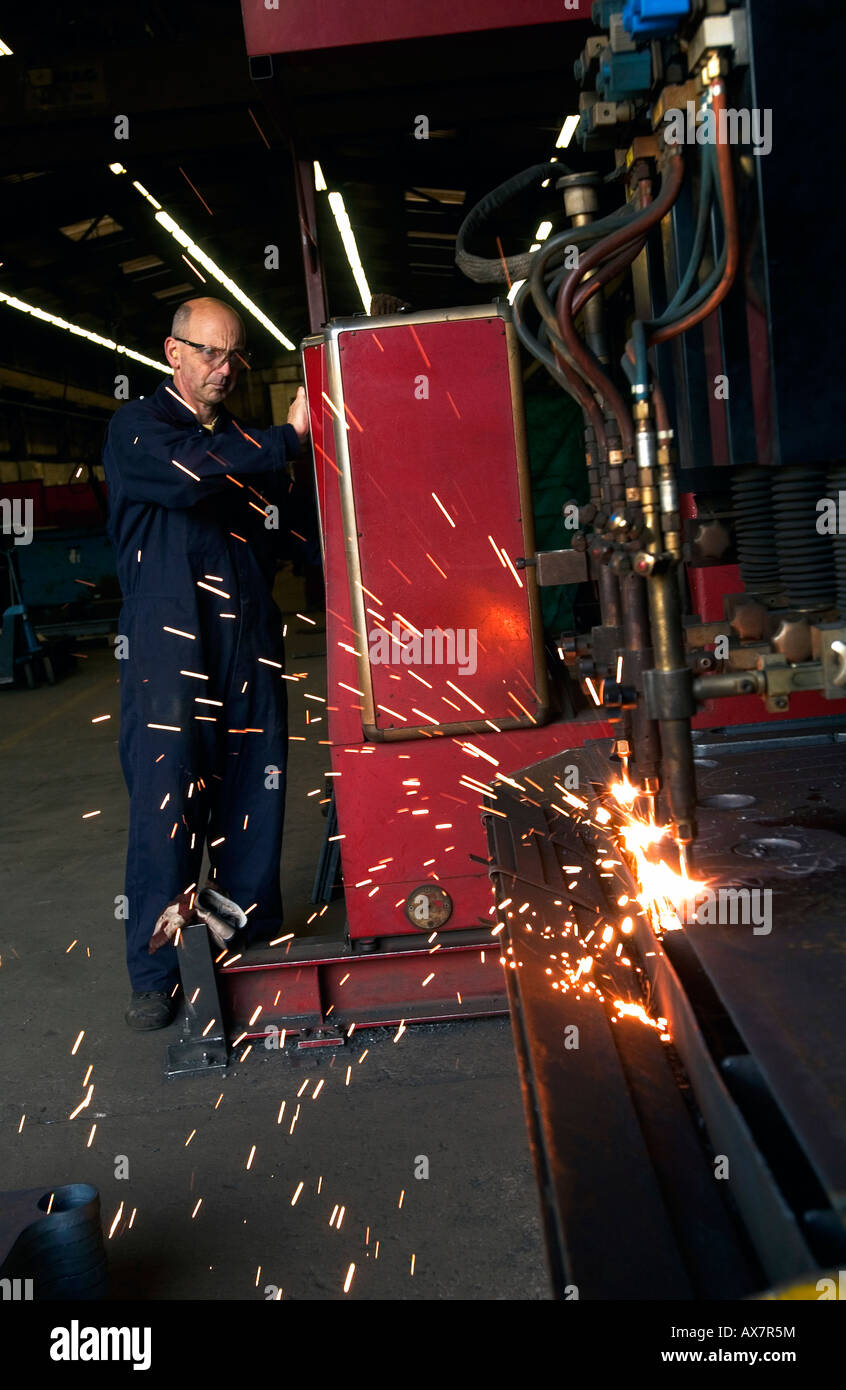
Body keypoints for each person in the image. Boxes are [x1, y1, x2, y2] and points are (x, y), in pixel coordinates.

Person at [102, 297, 309, 1029]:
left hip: (247, 647)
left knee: (255, 793)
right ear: (173, 352)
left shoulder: (248, 443)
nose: (224, 370)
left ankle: (248, 937)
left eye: (233, 356)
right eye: (210, 354)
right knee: (169, 808)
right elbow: (196, 475)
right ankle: (156, 974)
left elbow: (288, 529)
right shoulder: (139, 431)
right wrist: (288, 438)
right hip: (170, 657)